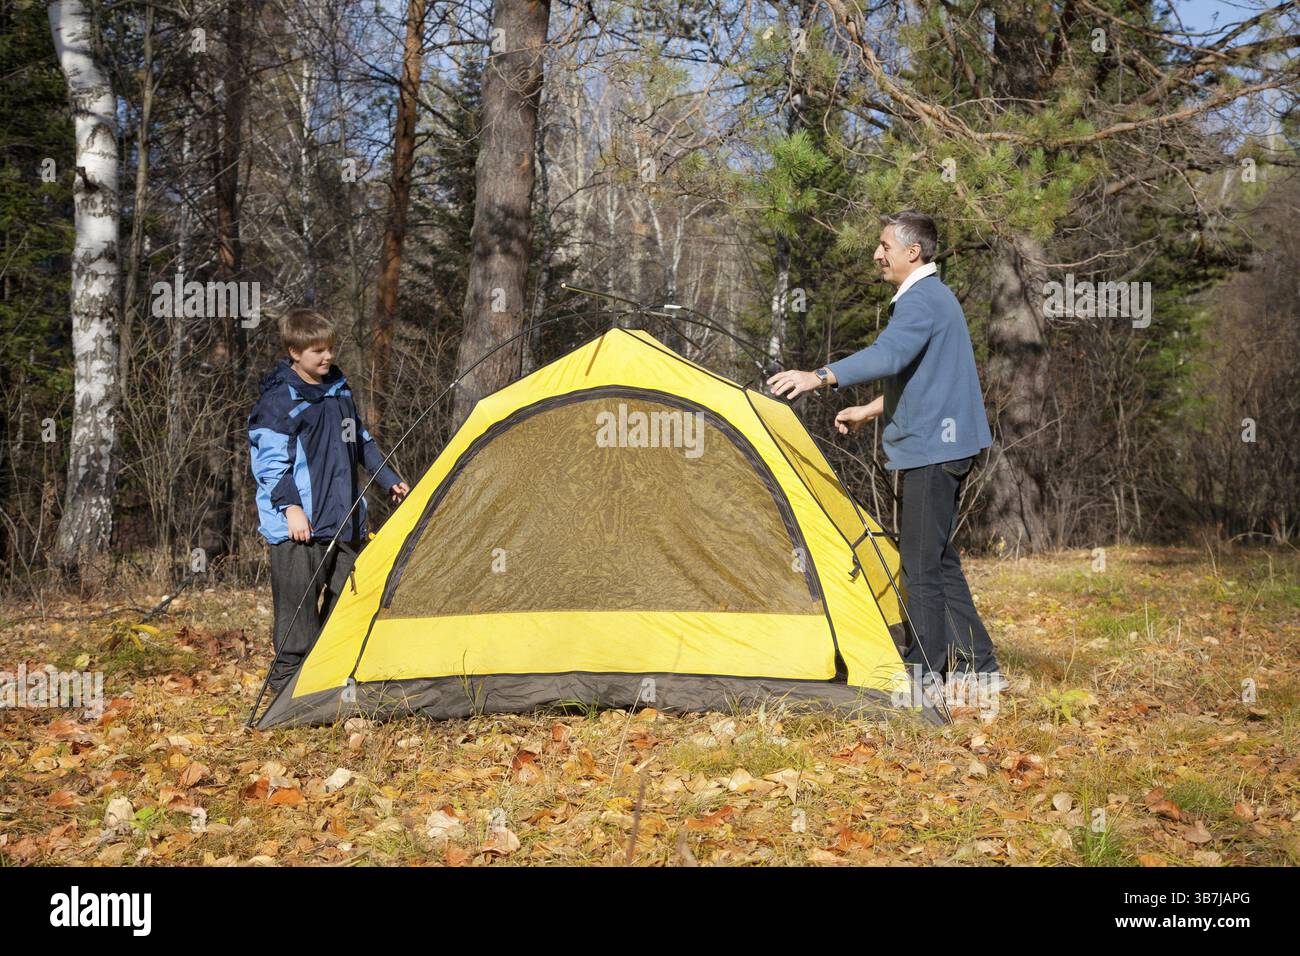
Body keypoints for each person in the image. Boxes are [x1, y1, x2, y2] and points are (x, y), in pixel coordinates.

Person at [766, 210, 1004, 693]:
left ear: (912, 253)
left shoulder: (920, 300)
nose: (877, 254)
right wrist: (870, 410)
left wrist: (819, 376)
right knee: (936, 560)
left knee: (919, 567)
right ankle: (980, 670)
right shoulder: (932, 299)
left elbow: (888, 355)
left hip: (933, 451)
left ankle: (925, 679)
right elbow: (923, 374)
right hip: (944, 445)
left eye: (884, 247)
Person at [248, 308, 409, 693]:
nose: (327, 357)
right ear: (294, 352)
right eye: (318, 351)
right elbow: (270, 465)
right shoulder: (278, 400)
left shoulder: (339, 391)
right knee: (296, 623)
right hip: (299, 528)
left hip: (346, 520)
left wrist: (389, 480)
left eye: (330, 349)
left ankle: (324, 682)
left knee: (347, 607)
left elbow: (361, 442)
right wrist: (292, 508)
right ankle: (282, 694)